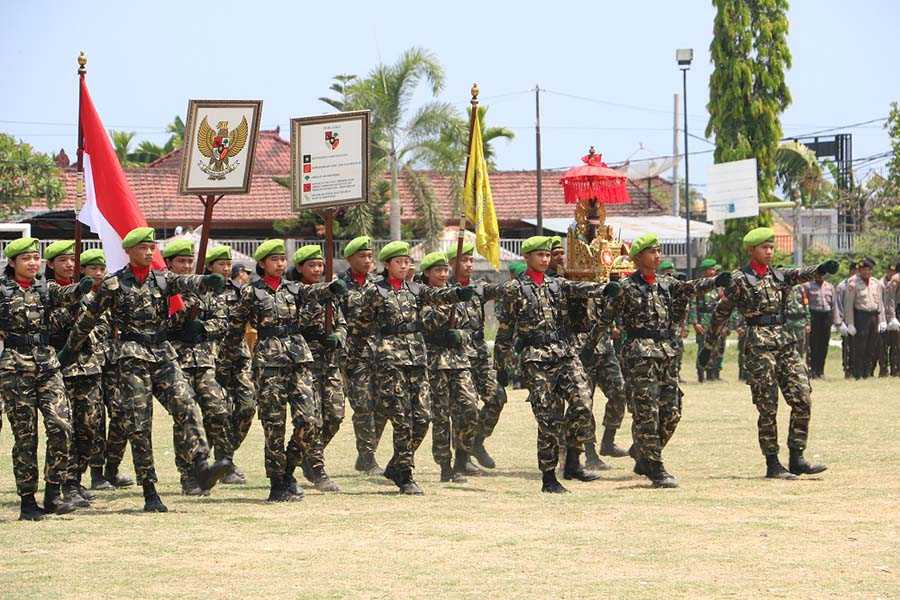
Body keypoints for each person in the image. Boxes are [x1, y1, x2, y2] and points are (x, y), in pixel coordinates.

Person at [65, 227, 232, 512]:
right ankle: (149, 488)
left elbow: (185, 281)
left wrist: (208, 280)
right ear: (129, 251)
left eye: (151, 248)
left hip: (162, 353)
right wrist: (69, 349)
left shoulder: (163, 279)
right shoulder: (113, 285)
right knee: (140, 424)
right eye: (143, 248)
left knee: (187, 405)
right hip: (131, 356)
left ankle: (202, 463)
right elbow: (89, 317)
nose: (149, 252)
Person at [700, 227, 836, 479]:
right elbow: (721, 313)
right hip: (758, 343)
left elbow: (801, 273)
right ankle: (773, 463)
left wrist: (821, 268)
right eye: (764, 247)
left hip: (784, 342)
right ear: (751, 250)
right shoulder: (740, 279)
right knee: (767, 404)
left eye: (772, 247)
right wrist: (708, 347)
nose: (770, 251)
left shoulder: (780, 275)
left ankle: (797, 457)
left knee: (802, 398)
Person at [224, 239, 347, 502]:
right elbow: (234, 328)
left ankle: (290, 468)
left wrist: (332, 288)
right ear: (261, 264)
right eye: (274, 260)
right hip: (269, 363)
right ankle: (277, 481)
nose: (280, 264)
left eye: (282, 259)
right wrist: (231, 363)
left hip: (299, 359)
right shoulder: (251, 292)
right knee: (274, 425)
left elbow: (315, 293)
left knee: (309, 420)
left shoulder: (294, 289)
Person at [495, 235, 619, 493]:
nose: (545, 259)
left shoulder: (557, 285)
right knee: (548, 418)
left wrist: (605, 289)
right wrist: (501, 365)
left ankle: (572, 461)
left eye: (547, 255)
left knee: (583, 403)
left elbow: (582, 288)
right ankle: (549, 477)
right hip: (536, 358)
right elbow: (505, 330)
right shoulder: (514, 289)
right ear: (527, 258)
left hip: (564, 352)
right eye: (539, 255)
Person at [603, 234, 727, 488]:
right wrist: (590, 347)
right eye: (651, 252)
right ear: (638, 258)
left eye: (659, 251)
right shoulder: (626, 287)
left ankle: (642, 452)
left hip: (665, 354)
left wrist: (715, 281)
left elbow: (692, 287)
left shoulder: (667, 284)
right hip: (638, 355)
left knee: (672, 411)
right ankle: (656, 468)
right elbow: (605, 318)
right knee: (646, 412)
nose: (657, 256)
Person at [354, 241, 474, 494]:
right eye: (399, 262)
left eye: (407, 261)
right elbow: (361, 324)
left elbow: (437, 294)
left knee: (422, 418)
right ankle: (406, 475)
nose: (404, 265)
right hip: (389, 362)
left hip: (417, 359)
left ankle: (397, 464)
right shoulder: (375, 292)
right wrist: (367, 354)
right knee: (401, 419)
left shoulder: (416, 290)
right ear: (388, 265)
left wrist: (457, 294)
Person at [1, 237, 94, 520]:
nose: (32, 263)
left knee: (61, 427)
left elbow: (66, 295)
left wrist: (81, 288)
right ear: (13, 262)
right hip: (15, 368)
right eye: (26, 258)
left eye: (35, 258)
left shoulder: (45, 288)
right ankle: (28, 500)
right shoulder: (2, 291)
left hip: (47, 365)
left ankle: (53, 492)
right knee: (26, 438)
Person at [164, 239, 236, 495]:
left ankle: (220, 463)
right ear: (169, 263)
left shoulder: (205, 290)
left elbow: (222, 321)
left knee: (218, 409)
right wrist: (178, 323)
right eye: (180, 262)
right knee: (184, 415)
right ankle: (189, 475)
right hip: (175, 360)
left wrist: (203, 327)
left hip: (204, 360)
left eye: (188, 261)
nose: (185, 266)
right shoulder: (164, 289)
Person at [288, 244, 345, 492]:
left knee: (335, 416)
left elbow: (342, 324)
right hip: (306, 364)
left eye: (320, 265)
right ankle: (317, 467)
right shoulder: (295, 294)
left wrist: (338, 336)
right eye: (312, 265)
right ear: (300, 268)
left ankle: (304, 455)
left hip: (329, 364)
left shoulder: (330, 296)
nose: (317, 269)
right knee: (313, 419)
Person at [420, 250, 479, 483]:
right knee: (441, 416)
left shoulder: (459, 295)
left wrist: (461, 335)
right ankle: (445, 465)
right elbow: (427, 322)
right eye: (438, 270)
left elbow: (470, 328)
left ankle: (463, 455)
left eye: (445, 270)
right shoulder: (422, 295)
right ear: (427, 273)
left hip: (459, 360)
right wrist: (449, 301)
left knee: (469, 408)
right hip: (435, 362)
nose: (443, 274)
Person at [447, 241, 504, 471]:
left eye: (471, 260)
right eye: (464, 259)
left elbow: (501, 290)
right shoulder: (443, 290)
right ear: (451, 263)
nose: (469, 264)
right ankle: (462, 458)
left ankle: (477, 442)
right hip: (457, 356)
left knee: (497, 397)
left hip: (479, 354)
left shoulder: (479, 287)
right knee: (464, 406)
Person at [337, 235, 387, 476]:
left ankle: (367, 451)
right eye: (362, 256)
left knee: (384, 406)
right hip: (353, 356)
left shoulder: (379, 285)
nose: (368, 260)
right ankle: (368, 457)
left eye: (370, 256)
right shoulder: (340, 286)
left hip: (380, 354)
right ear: (349, 259)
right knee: (363, 406)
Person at [207, 245, 255, 484]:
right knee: (218, 413)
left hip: (238, 357)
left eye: (228, 265)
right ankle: (220, 463)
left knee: (247, 406)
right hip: (213, 359)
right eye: (220, 265)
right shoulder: (204, 290)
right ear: (210, 267)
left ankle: (225, 456)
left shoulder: (241, 291)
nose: (226, 269)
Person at [843, 257, 886, 379]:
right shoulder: (853, 283)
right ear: (859, 270)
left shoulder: (876, 283)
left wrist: (882, 320)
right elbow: (848, 305)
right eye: (863, 270)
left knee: (872, 346)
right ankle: (858, 372)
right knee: (860, 346)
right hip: (860, 316)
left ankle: (868, 372)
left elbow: (880, 303)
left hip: (874, 316)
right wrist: (850, 323)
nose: (866, 272)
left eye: (868, 270)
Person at [692, 258, 721, 382]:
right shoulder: (699, 285)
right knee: (703, 347)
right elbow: (692, 305)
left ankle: (712, 375)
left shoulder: (717, 286)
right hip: (702, 321)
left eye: (715, 269)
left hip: (714, 320)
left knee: (714, 347)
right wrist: (695, 322)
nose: (714, 271)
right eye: (712, 269)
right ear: (706, 271)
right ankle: (701, 375)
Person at [803, 270, 836, 378]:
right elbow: (805, 304)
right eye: (818, 274)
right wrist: (807, 321)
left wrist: (835, 320)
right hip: (814, 315)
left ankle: (821, 370)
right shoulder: (808, 286)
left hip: (826, 316)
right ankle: (812, 370)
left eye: (822, 274)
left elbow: (833, 304)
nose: (820, 276)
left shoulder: (830, 286)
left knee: (824, 344)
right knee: (813, 344)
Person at [834, 261, 858, 378]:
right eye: (855, 271)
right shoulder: (842, 286)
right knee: (847, 347)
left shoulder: (860, 284)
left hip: (858, 321)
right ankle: (847, 370)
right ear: (851, 271)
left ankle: (857, 369)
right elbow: (838, 305)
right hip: (846, 322)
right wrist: (840, 323)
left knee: (857, 347)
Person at [878, 261, 900, 377]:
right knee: (883, 345)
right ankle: (883, 370)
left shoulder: (896, 282)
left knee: (895, 345)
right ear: (887, 271)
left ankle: (895, 369)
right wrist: (881, 320)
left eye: (894, 271)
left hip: (893, 317)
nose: (892, 273)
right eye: (890, 271)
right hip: (883, 318)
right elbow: (880, 303)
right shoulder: (880, 284)